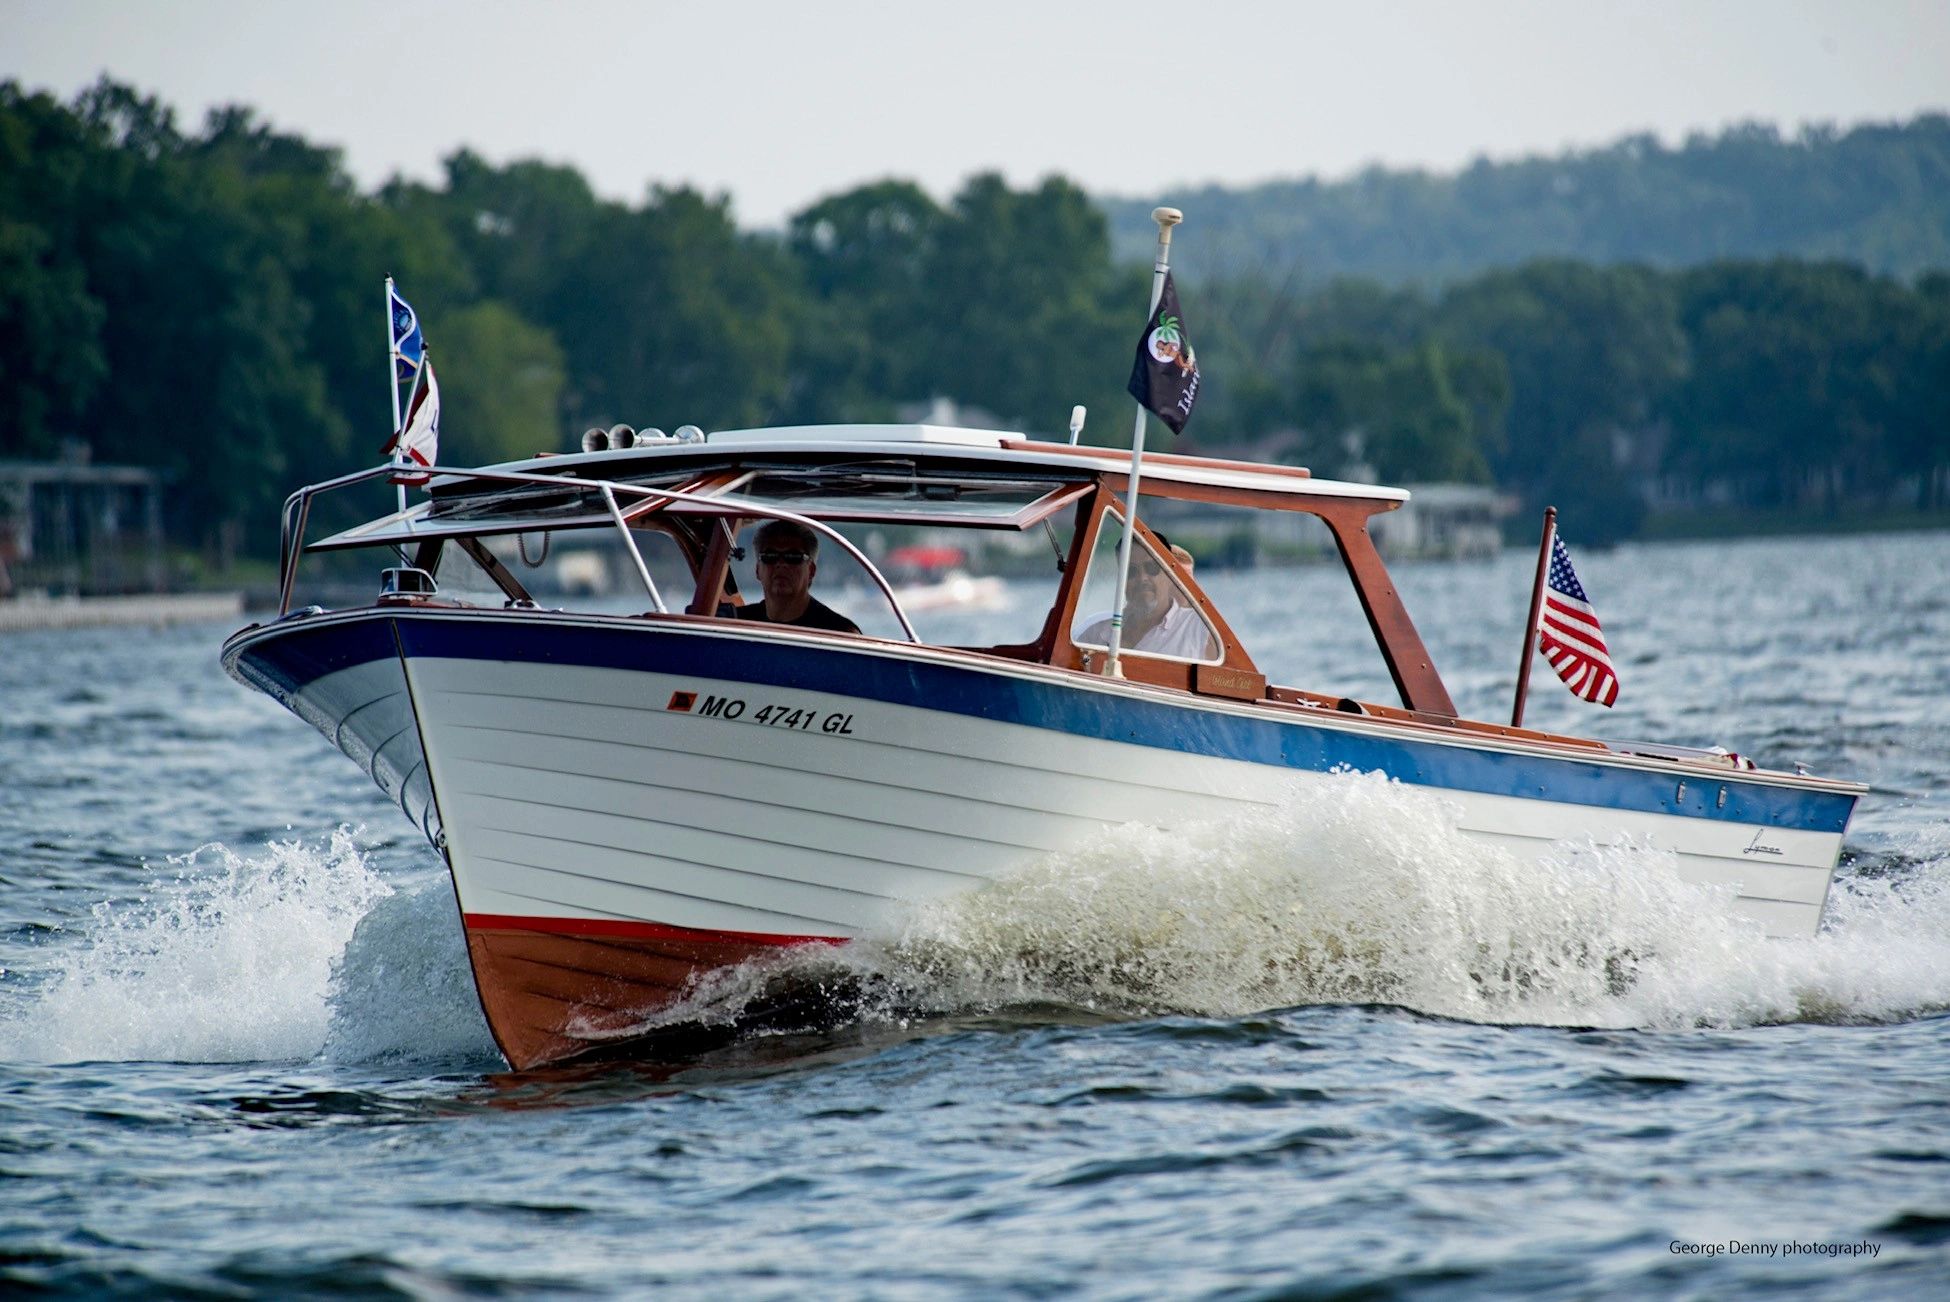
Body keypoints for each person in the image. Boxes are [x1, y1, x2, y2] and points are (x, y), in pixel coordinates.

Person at [1076, 536, 1216, 660]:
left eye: (1151, 568)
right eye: (1131, 571)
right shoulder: (1095, 634)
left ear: (1169, 576)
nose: (1142, 578)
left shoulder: (1202, 630)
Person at [734, 519, 860, 633]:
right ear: (757, 570)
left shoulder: (839, 633)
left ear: (811, 570)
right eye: (770, 556)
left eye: (793, 557)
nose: (781, 564)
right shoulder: (735, 625)